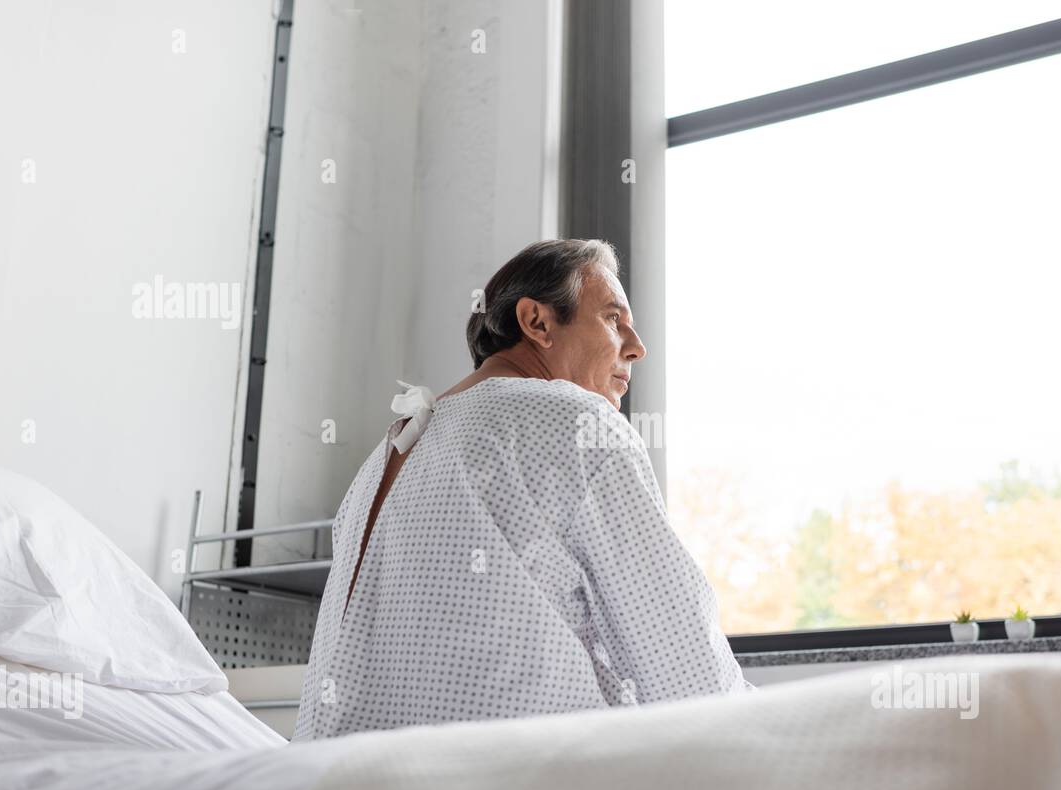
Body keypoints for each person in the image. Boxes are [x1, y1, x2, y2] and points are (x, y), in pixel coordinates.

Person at [293, 239, 754, 740]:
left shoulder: (390, 452)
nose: (637, 345)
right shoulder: (575, 421)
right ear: (537, 323)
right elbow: (683, 661)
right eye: (613, 319)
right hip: (511, 789)